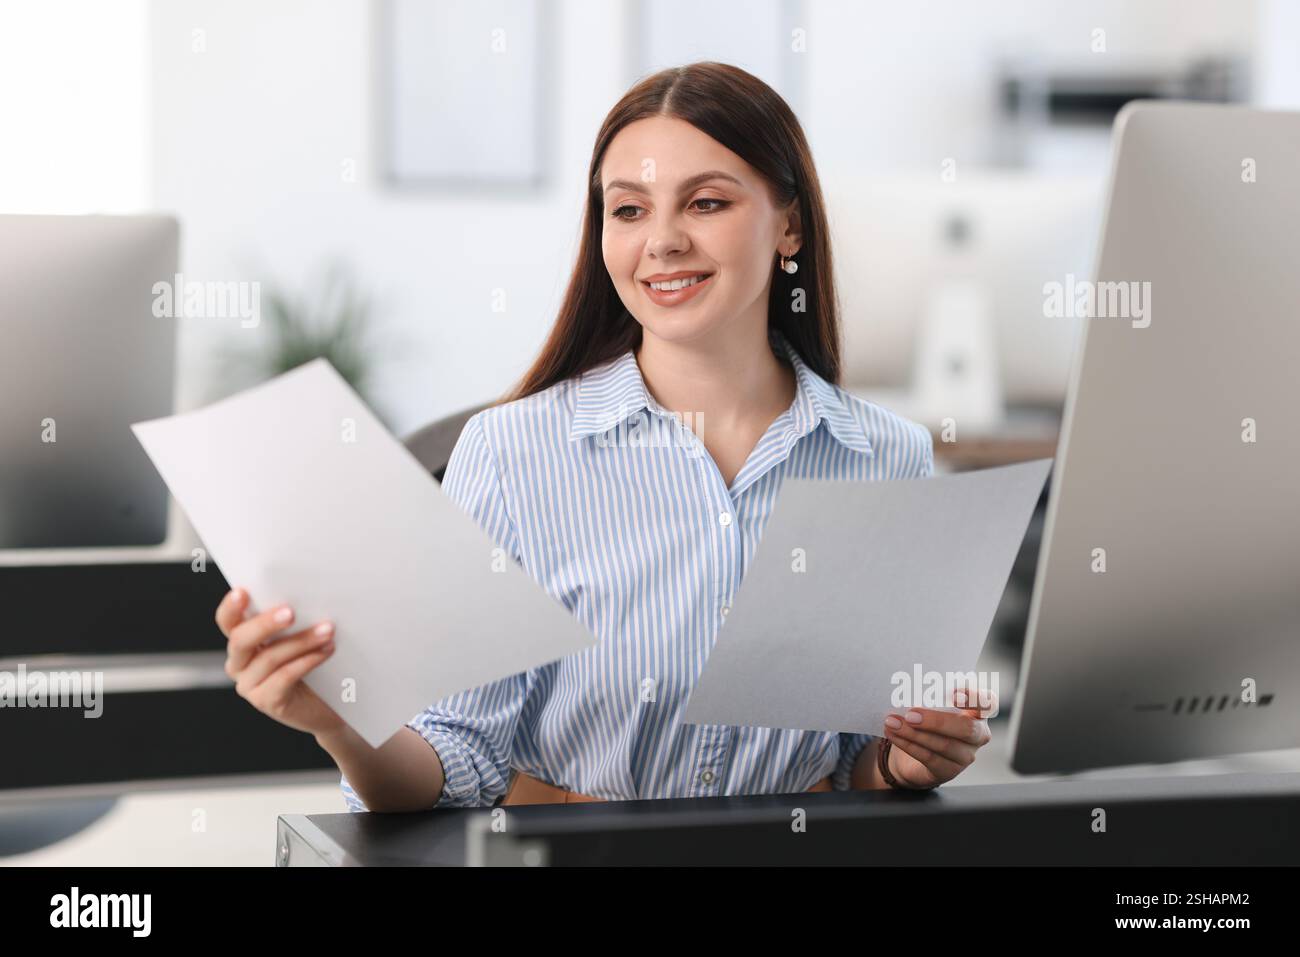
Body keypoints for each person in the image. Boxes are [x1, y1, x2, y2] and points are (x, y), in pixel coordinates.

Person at [216, 61, 995, 813]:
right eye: (628, 209)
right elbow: (453, 759)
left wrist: (905, 758)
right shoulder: (512, 455)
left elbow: (855, 760)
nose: (661, 241)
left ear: (788, 224)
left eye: (705, 203)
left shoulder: (887, 457)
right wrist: (338, 721)